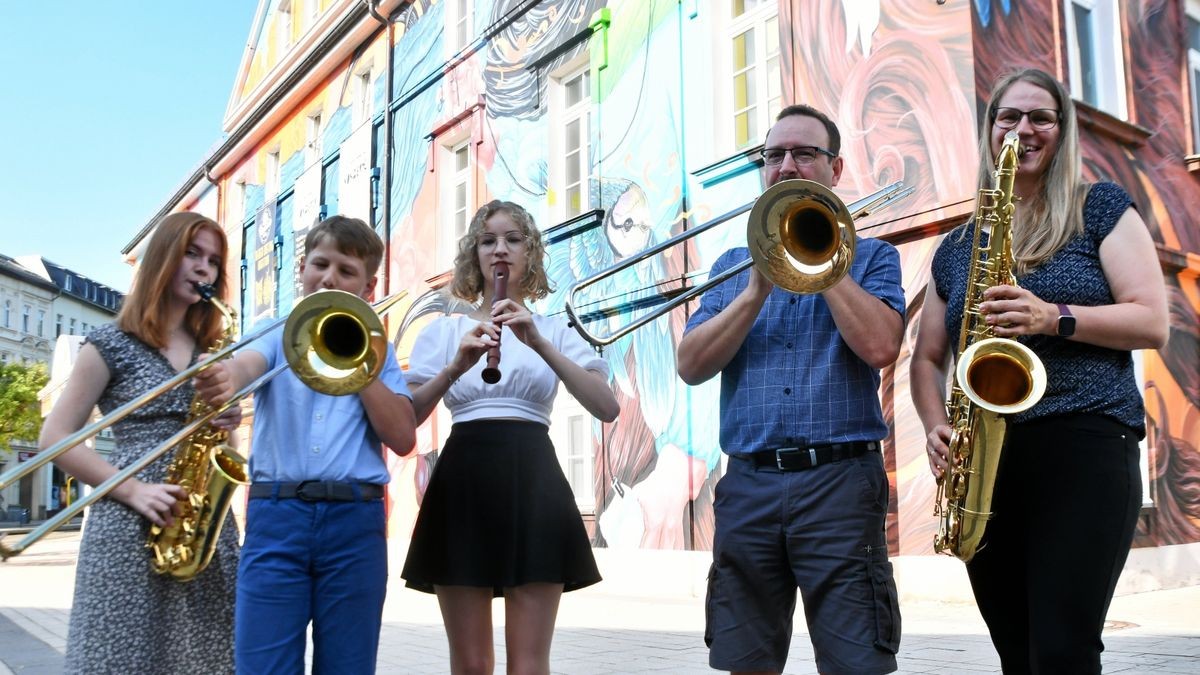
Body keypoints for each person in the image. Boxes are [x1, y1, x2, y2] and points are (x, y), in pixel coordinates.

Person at [910, 67, 1169, 672]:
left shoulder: (1099, 207)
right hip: (986, 459)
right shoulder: (958, 247)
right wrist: (931, 426)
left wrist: (1053, 316)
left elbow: (1152, 320)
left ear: (1062, 130)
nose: (1023, 129)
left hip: (1084, 446)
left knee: (1062, 652)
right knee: (1016, 652)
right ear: (990, 129)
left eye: (1041, 118)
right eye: (1009, 117)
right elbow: (925, 358)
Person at [677, 105, 904, 674]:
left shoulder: (873, 257)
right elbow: (690, 364)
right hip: (749, 484)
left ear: (835, 168)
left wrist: (825, 266)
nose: (785, 166)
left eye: (803, 153)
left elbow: (881, 347)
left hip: (841, 485)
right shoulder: (731, 267)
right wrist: (754, 290)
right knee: (745, 659)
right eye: (773, 155)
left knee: (857, 661)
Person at [401, 200, 619, 675]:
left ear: (530, 252)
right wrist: (455, 367)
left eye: (512, 239)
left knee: (528, 665)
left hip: (534, 483)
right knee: (472, 664)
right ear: (474, 255)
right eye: (487, 240)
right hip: (463, 484)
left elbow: (606, 406)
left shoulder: (554, 330)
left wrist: (537, 342)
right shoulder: (442, 334)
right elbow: (408, 420)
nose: (499, 250)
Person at [195, 215, 417, 674]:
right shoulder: (273, 334)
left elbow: (402, 436)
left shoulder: (381, 352)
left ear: (368, 288)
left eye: (345, 271)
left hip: (354, 521)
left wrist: (361, 365)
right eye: (320, 264)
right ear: (302, 269)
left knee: (348, 667)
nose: (329, 277)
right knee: (263, 666)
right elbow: (244, 369)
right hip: (277, 517)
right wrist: (224, 378)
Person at [41, 212, 240, 673]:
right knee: (120, 658)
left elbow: (229, 450)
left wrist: (228, 419)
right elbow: (54, 437)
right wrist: (132, 489)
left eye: (213, 261)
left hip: (200, 527)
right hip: (127, 521)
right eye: (191, 253)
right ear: (162, 258)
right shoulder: (110, 342)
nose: (203, 268)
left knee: (205, 659)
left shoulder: (213, 352)